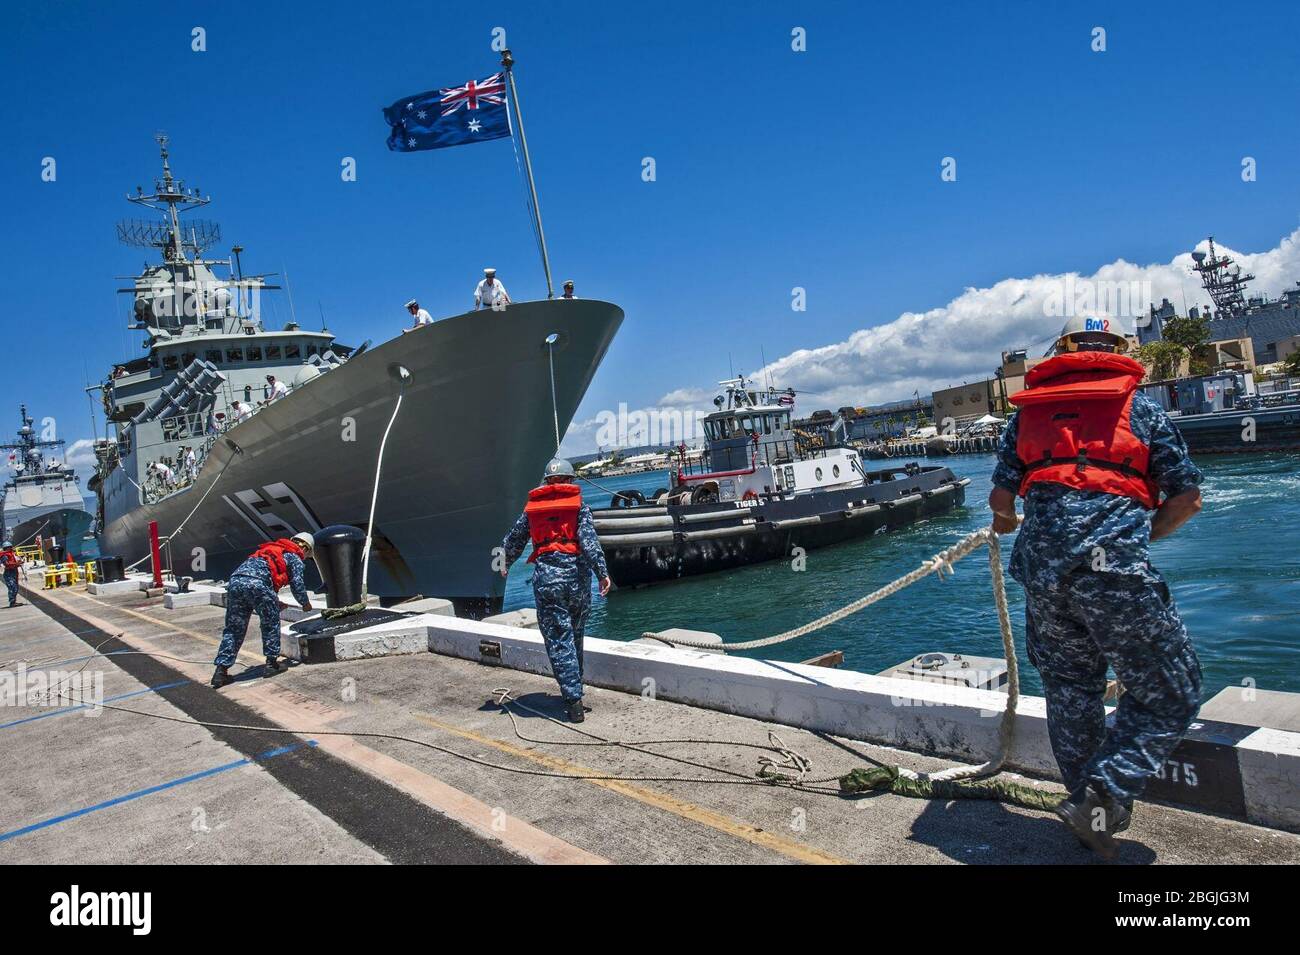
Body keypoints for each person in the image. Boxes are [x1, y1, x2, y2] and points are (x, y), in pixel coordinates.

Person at [988, 314, 1204, 860]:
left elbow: (1000, 502)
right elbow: (1186, 500)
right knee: (1170, 693)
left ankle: (1090, 811)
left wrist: (1011, 522)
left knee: (1071, 690)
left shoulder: (1028, 417)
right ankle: (1104, 795)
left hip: (1041, 574)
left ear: (1061, 354)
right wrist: (1135, 537)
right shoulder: (1142, 410)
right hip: (1115, 573)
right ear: (1117, 351)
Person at [500, 458, 611, 722]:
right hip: (577, 582)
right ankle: (576, 693)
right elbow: (589, 543)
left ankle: (573, 700)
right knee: (575, 636)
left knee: (559, 640)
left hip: (547, 583)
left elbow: (514, 540)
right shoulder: (580, 508)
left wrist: (504, 562)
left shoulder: (532, 510)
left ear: (547, 482)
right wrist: (603, 573)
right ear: (570, 481)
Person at [210, 532, 316, 688]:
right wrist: (305, 603)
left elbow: (262, 580)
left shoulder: (271, 549)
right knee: (270, 623)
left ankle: (221, 671)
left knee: (234, 628)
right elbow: (297, 585)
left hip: (236, 581)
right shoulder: (295, 557)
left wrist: (275, 602)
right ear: (306, 549)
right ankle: (272, 664)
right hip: (258, 585)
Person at [1, 540, 27, 608]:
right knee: (12, 587)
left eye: (10, 547)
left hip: (14, 572)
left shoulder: (12, 554)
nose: (11, 548)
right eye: (9, 547)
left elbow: (14, 563)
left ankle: (14, 601)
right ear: (6, 548)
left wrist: (19, 563)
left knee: (16, 588)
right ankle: (12, 602)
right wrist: (16, 564)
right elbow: (6, 564)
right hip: (9, 573)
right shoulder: (4, 555)